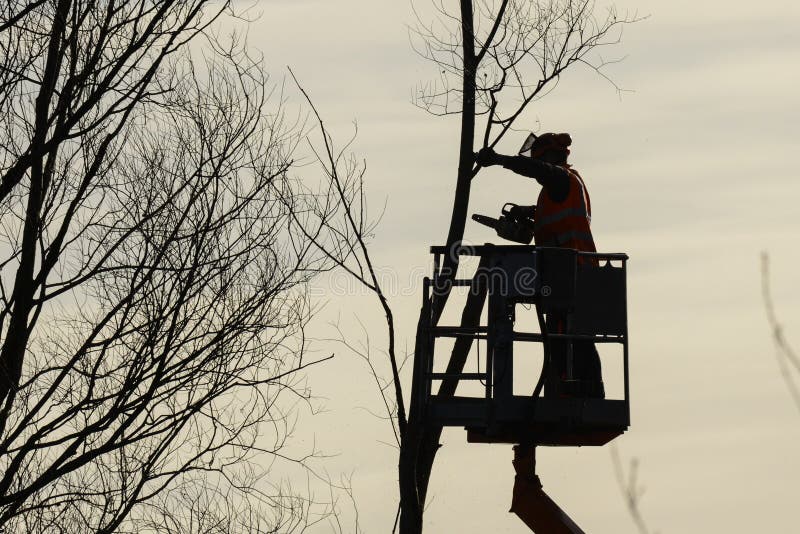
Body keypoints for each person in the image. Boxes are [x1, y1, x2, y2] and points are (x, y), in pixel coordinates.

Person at [476, 132, 604, 398]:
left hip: (573, 273)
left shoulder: (561, 178)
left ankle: (575, 396)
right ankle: (571, 392)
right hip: (564, 276)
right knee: (566, 343)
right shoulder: (556, 192)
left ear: (549, 158)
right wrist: (526, 212)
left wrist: (499, 159)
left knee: (569, 341)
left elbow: (539, 170)